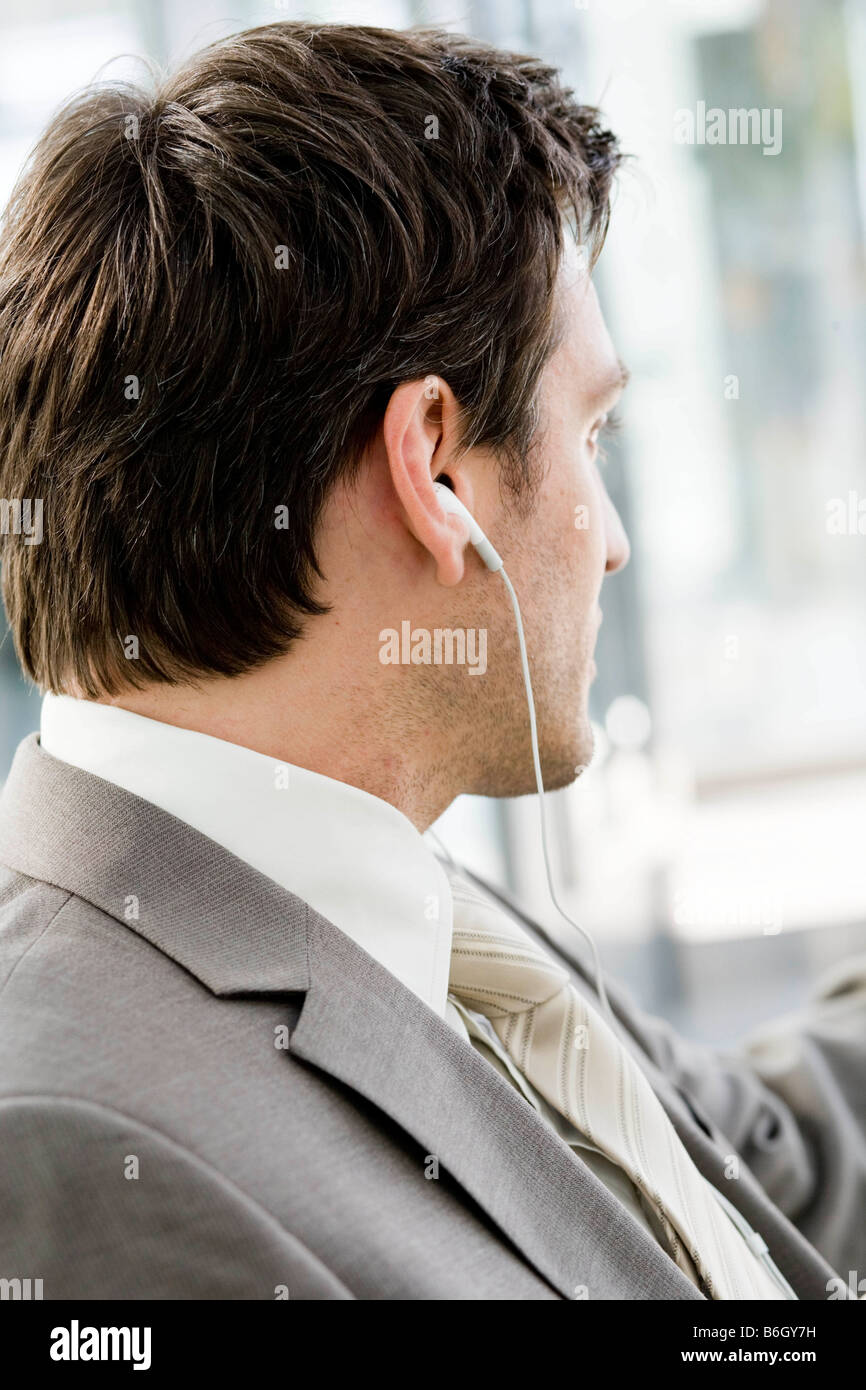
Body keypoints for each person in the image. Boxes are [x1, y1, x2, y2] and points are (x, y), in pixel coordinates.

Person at [0, 21, 861, 1301]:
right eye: (595, 434)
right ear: (437, 467)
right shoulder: (70, 1153)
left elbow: (756, 1159)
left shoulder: (395, 899)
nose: (613, 544)